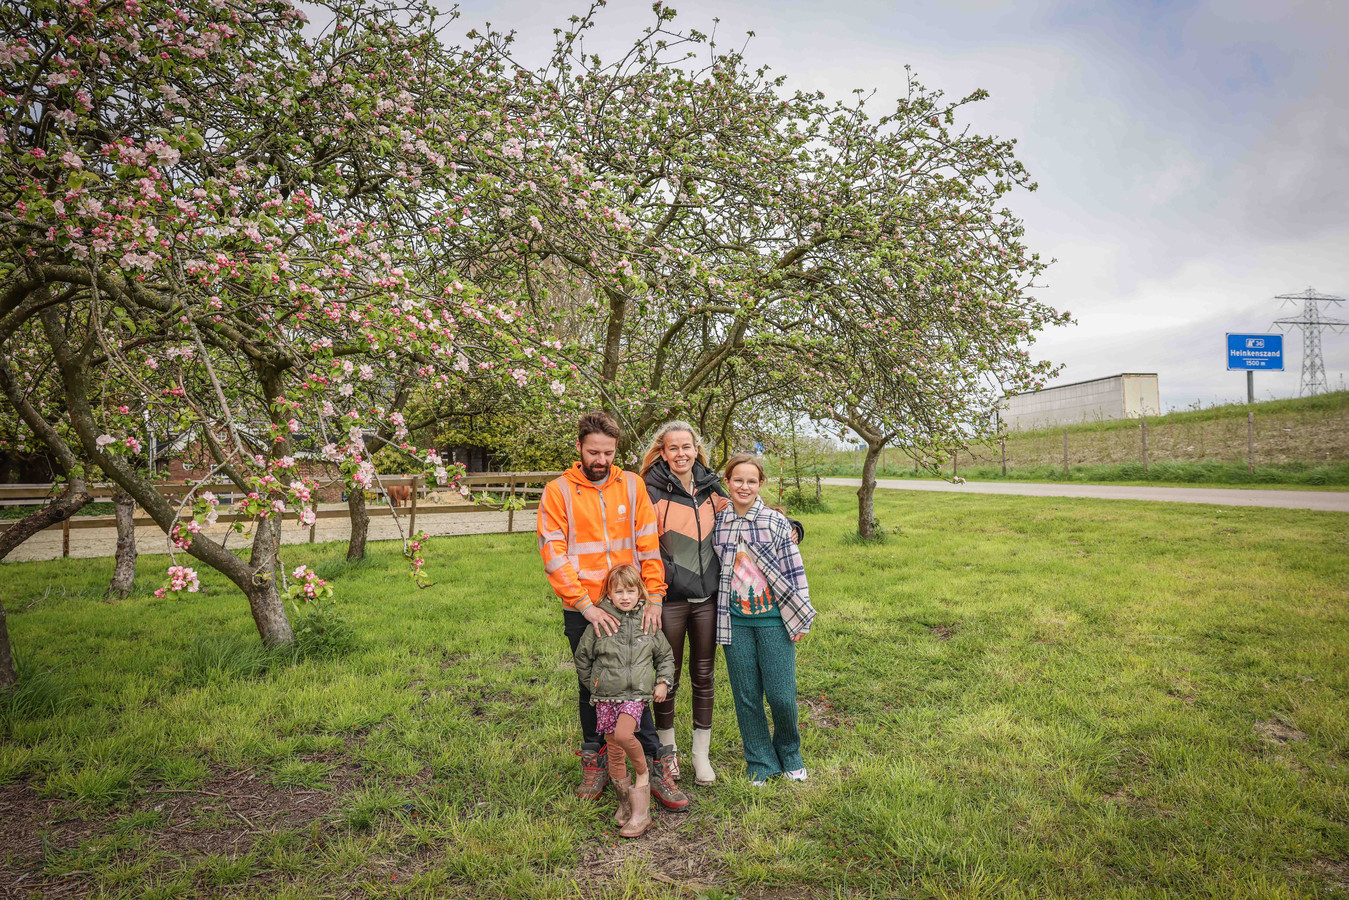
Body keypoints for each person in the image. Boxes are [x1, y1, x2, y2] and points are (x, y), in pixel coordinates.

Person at [537, 410, 690, 811]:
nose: (600, 460)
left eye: (607, 452)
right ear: (579, 449)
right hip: (585, 608)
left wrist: (653, 598)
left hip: (633, 605)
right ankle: (597, 758)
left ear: (616, 450)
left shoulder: (633, 486)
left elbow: (648, 546)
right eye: (593, 452)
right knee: (594, 683)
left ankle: (653, 765)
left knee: (638, 681)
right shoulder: (558, 491)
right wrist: (586, 606)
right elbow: (552, 552)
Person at [712, 453, 817, 784]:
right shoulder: (719, 522)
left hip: (774, 618)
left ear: (760, 485)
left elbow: (795, 571)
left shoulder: (774, 522)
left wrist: (801, 617)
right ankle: (760, 760)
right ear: (727, 483)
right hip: (736, 620)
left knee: (781, 694)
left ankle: (789, 752)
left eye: (751, 481)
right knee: (746, 696)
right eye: (738, 480)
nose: (744, 486)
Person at [640, 421, 729, 785]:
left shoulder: (711, 487)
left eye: (686, 447)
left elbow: (746, 510)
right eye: (673, 448)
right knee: (668, 677)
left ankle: (700, 756)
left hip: (707, 599)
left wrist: (790, 526)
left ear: (696, 449)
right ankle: (668, 754)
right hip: (670, 600)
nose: (680, 454)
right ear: (663, 453)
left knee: (704, 676)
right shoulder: (650, 490)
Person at [573, 565, 676, 838]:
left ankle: (643, 778)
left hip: (634, 697)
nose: (625, 597)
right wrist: (594, 683)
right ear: (609, 592)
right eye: (619, 591)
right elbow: (583, 657)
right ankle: (624, 806)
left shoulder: (647, 620)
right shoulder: (601, 621)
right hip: (606, 697)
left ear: (639, 591)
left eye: (631, 590)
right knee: (615, 749)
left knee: (624, 734)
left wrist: (663, 682)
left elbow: (665, 656)